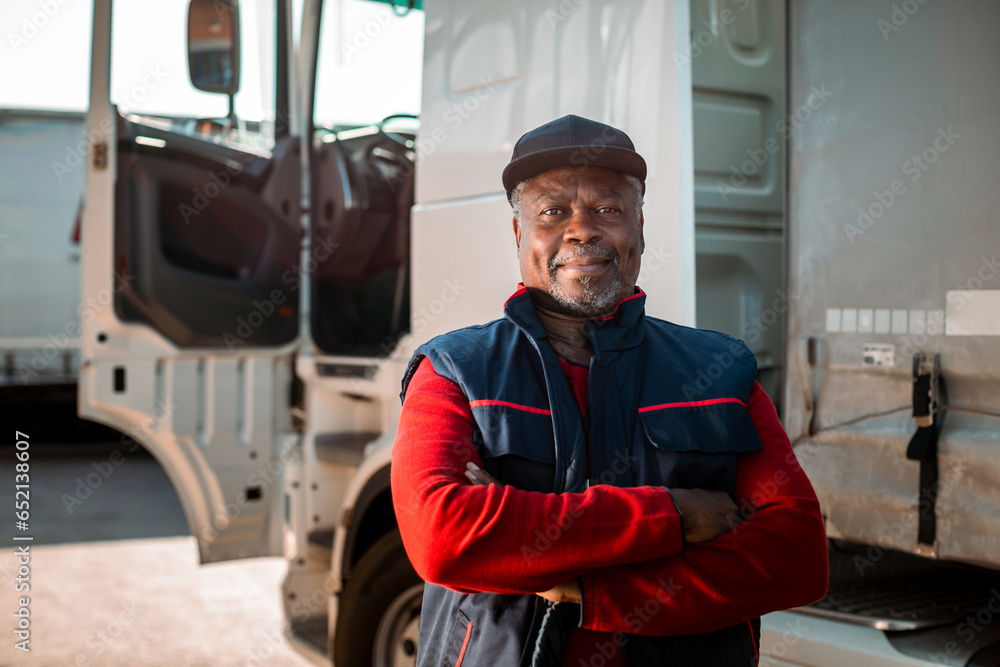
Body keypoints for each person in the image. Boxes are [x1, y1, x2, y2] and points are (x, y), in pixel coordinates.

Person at [390, 114, 828, 667]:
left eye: (608, 209)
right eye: (553, 211)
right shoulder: (456, 370)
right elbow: (444, 537)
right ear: (519, 234)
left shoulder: (721, 371)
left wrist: (583, 588)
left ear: (639, 227)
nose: (582, 229)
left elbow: (796, 556)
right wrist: (672, 515)